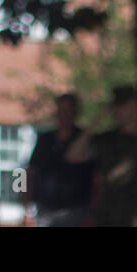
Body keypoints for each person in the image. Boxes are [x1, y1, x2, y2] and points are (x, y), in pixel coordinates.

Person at [69, 86, 137, 226]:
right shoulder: (105, 140)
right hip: (109, 217)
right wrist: (96, 122)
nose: (118, 111)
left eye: (124, 106)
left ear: (136, 106)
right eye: (116, 106)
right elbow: (73, 156)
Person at [25, 92, 94, 227]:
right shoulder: (44, 140)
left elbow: (97, 178)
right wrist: (26, 208)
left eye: (68, 111)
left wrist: (92, 211)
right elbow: (23, 173)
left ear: (76, 113)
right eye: (61, 111)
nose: (64, 115)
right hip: (45, 211)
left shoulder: (85, 140)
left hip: (77, 211)